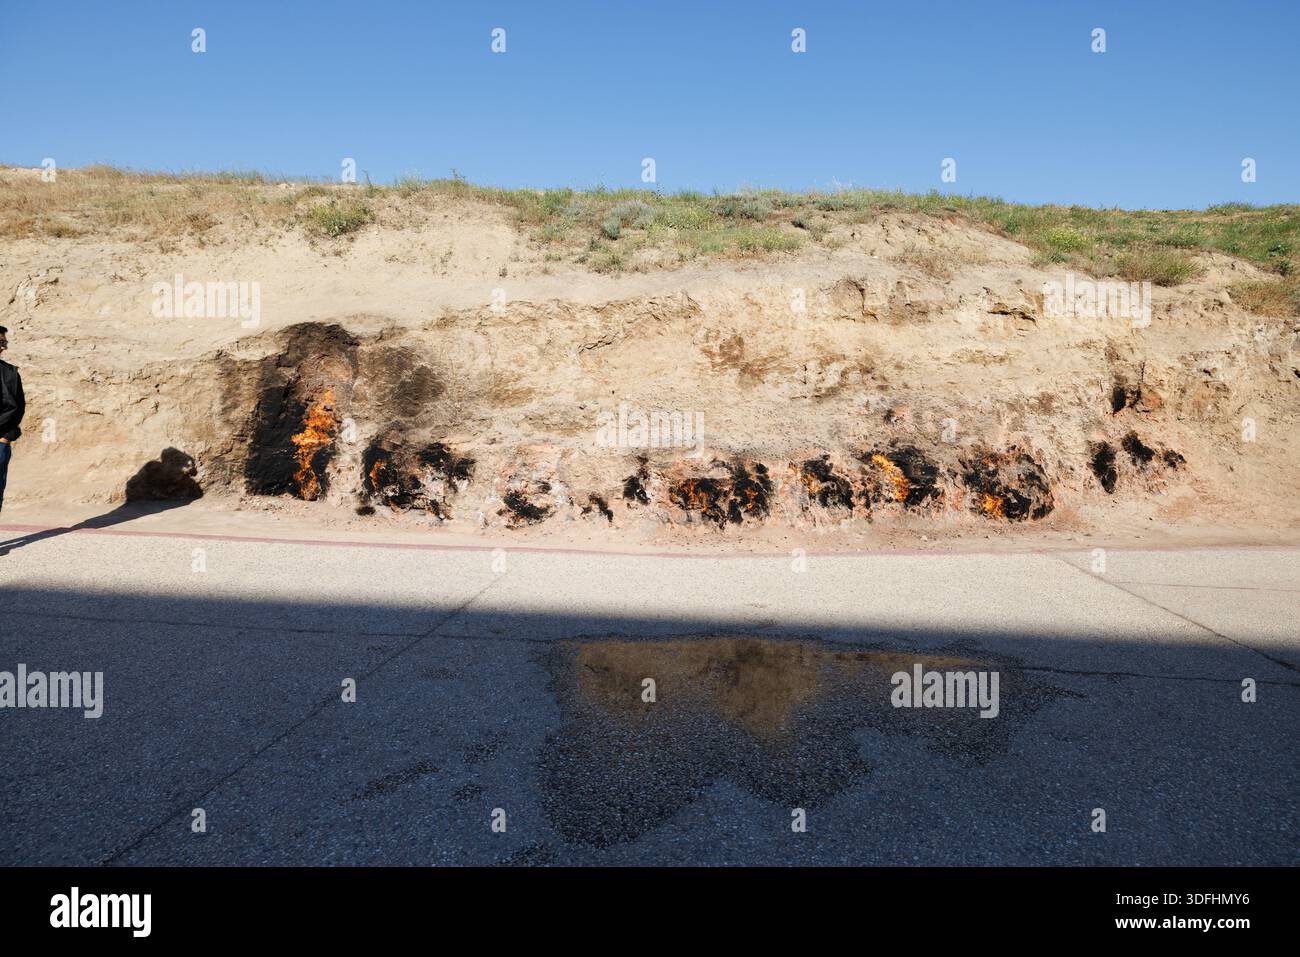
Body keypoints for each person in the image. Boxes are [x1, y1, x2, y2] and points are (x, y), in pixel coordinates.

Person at [0, 325, 25, 513]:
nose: (4, 347)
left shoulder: (10, 373)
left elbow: (19, 406)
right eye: (1, 342)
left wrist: (7, 436)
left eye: (5, 342)